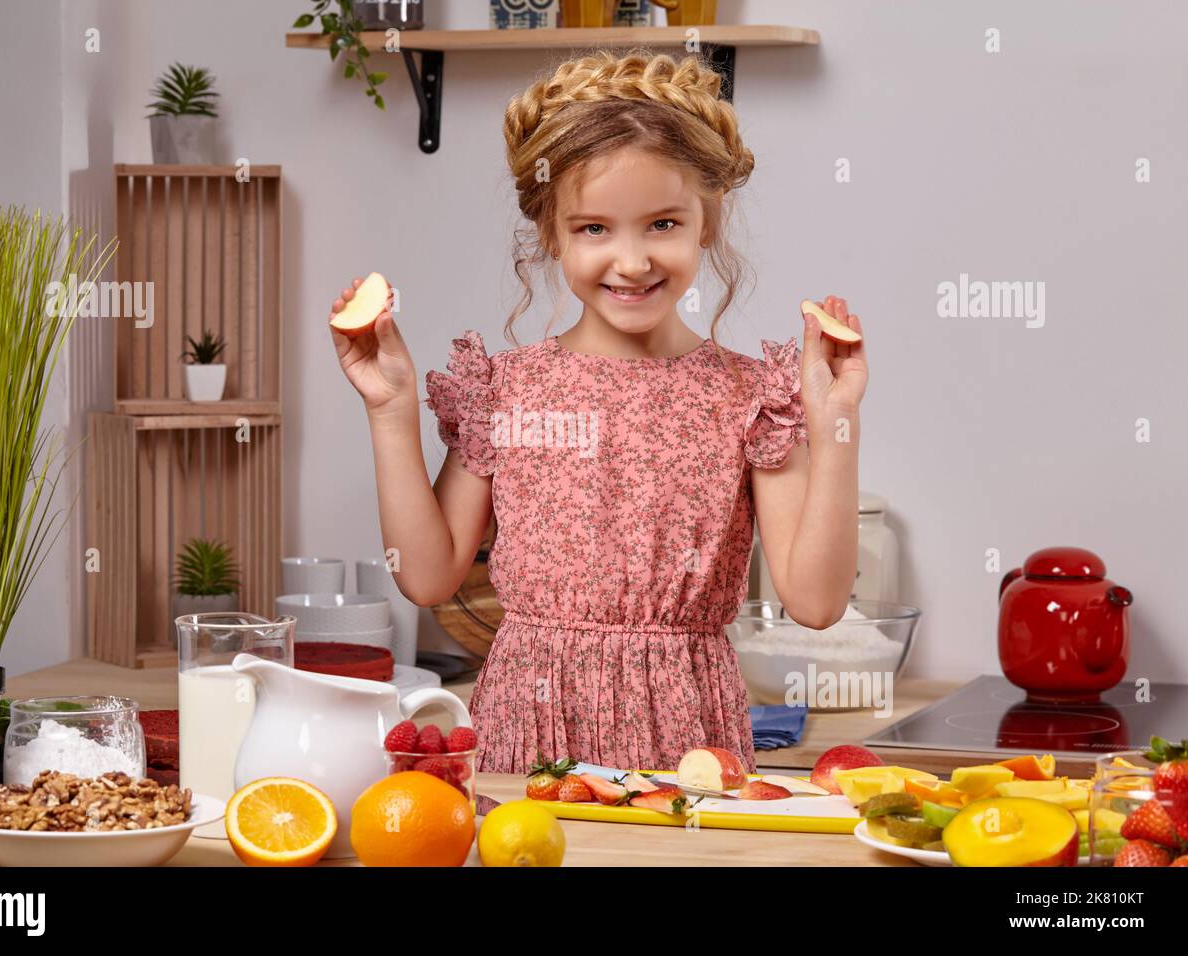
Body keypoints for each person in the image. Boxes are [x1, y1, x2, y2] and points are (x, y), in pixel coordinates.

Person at [330, 50, 867, 775]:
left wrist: (836, 425)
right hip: (527, 739)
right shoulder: (506, 391)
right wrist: (390, 409)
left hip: (687, 746)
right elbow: (426, 578)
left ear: (708, 220)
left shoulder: (751, 398)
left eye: (662, 223)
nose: (632, 260)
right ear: (551, 231)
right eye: (593, 229)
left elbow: (817, 603)